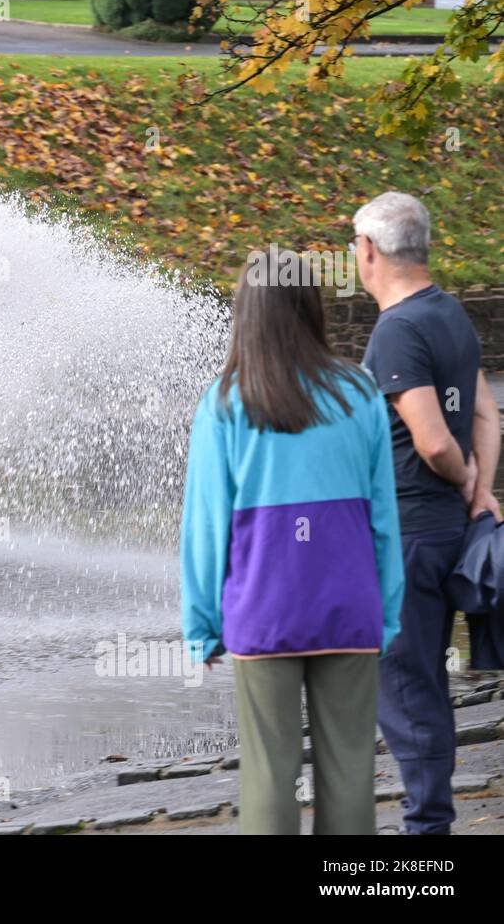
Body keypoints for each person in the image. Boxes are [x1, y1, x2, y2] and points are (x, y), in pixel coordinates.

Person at [181, 250, 404, 834]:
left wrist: (201, 624)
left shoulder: (225, 403)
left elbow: (206, 526)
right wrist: (388, 615)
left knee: (267, 775)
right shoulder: (359, 393)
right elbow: (384, 517)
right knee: (352, 773)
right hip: (350, 609)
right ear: (312, 306)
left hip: (263, 610)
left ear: (247, 313)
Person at [355, 191, 501, 835]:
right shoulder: (452, 315)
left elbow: (435, 439)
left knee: (410, 688)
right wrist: (481, 492)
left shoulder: (396, 330)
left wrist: (464, 473)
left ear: (369, 252)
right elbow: (486, 415)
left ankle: (426, 841)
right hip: (452, 530)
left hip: (408, 537)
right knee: (427, 687)